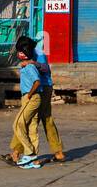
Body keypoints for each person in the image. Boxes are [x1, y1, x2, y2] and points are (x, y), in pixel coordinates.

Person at [16, 35, 65, 163]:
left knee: (29, 121)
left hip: (42, 88)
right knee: (32, 120)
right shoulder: (28, 53)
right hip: (37, 89)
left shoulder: (38, 53)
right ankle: (57, 152)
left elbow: (46, 69)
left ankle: (18, 153)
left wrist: (33, 63)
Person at [2, 45, 44, 169]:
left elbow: (37, 82)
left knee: (17, 124)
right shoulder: (26, 67)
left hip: (31, 98)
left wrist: (30, 95)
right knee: (32, 128)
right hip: (32, 97)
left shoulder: (30, 67)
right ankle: (34, 160)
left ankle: (29, 153)